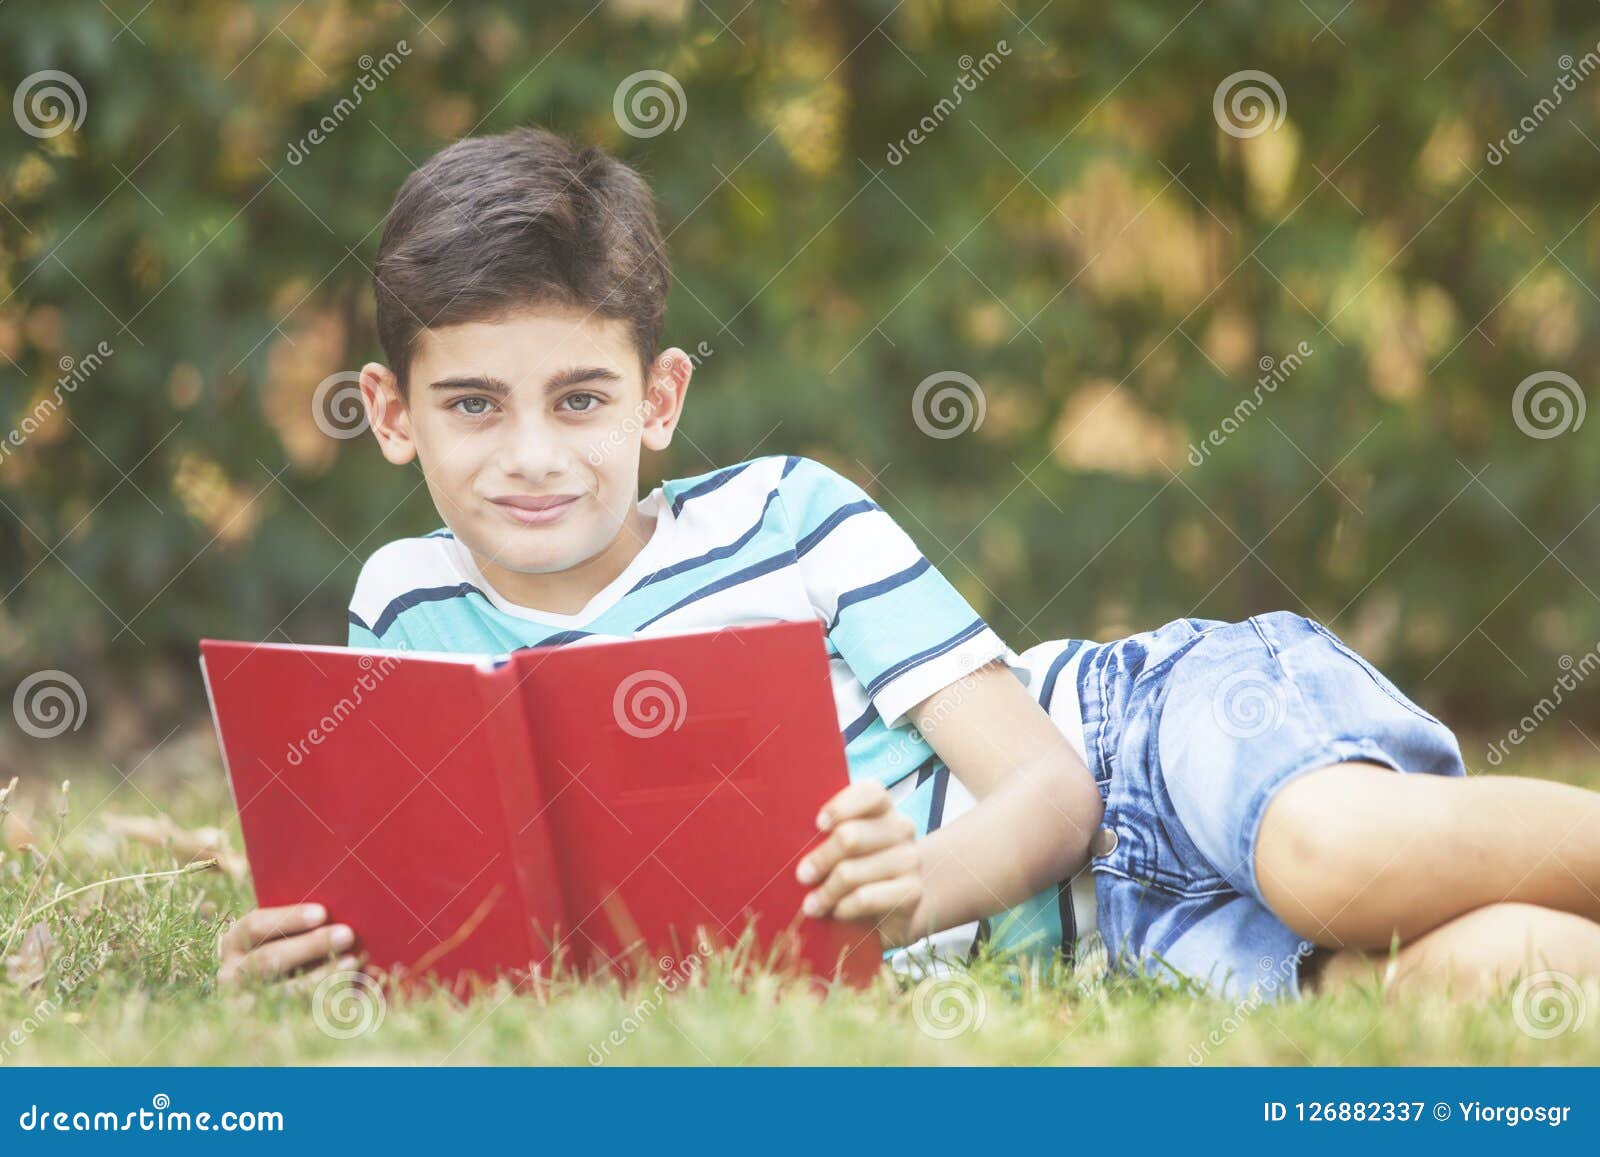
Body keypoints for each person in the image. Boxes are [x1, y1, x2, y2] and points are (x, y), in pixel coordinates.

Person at [220, 126, 1600, 1003]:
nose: (532, 454)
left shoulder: (786, 516)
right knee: (1441, 985)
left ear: (659, 400)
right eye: (474, 405)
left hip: (1126, 747)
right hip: (1101, 944)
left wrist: (914, 888)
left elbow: (1051, 795)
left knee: (1332, 856)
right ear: (392, 417)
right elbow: (480, 925)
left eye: (579, 398)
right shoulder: (400, 608)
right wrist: (324, 956)